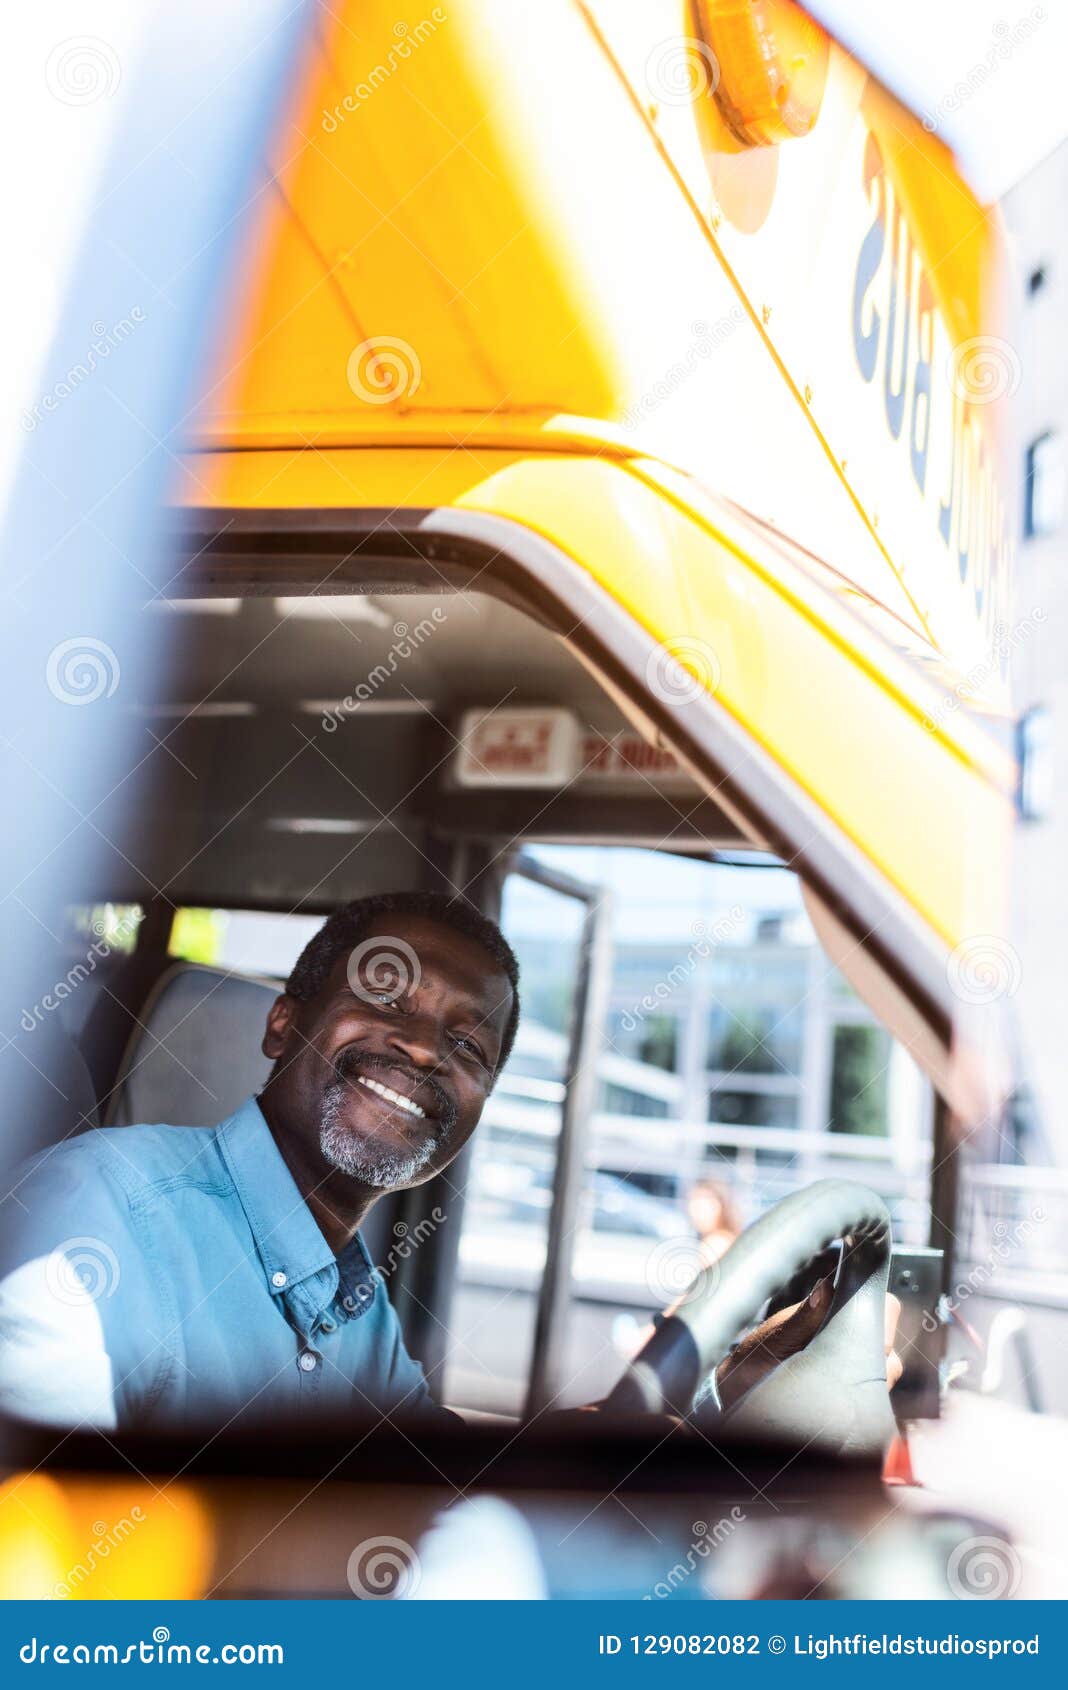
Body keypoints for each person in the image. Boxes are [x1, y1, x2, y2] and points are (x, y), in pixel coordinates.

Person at [0, 892, 519, 1432]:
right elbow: (32, 1501)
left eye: (467, 1045)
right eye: (385, 1000)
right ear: (281, 1025)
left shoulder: (361, 1308)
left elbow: (431, 1477)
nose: (426, 1051)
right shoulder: (101, 1210)